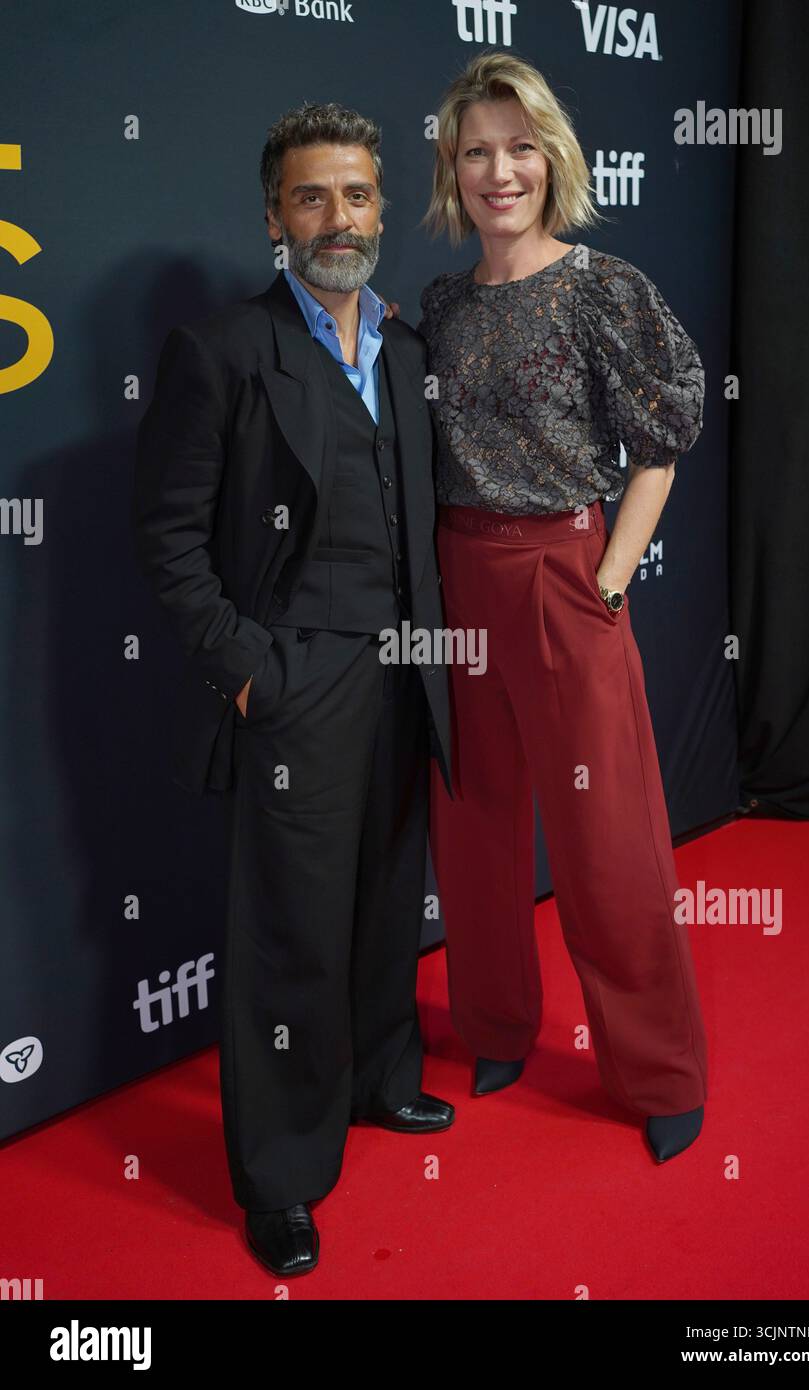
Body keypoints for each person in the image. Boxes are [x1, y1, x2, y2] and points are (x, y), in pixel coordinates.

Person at [132, 102, 455, 1278]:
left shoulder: (410, 349)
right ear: (273, 215)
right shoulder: (221, 352)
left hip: (407, 670)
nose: (338, 217)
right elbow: (169, 537)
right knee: (287, 935)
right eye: (311, 196)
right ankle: (279, 1173)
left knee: (383, 895)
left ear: (382, 207)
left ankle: (379, 1081)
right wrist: (250, 671)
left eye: (357, 194)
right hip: (296, 675)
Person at [416, 52, 709, 1162]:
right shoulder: (442, 304)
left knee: (607, 838)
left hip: (559, 574)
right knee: (474, 823)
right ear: (453, 165)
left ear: (552, 158)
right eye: (477, 149)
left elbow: (664, 438)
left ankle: (658, 1067)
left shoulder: (598, 286)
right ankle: (494, 1027)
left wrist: (609, 576)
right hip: (455, 580)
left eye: (519, 146)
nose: (499, 170)